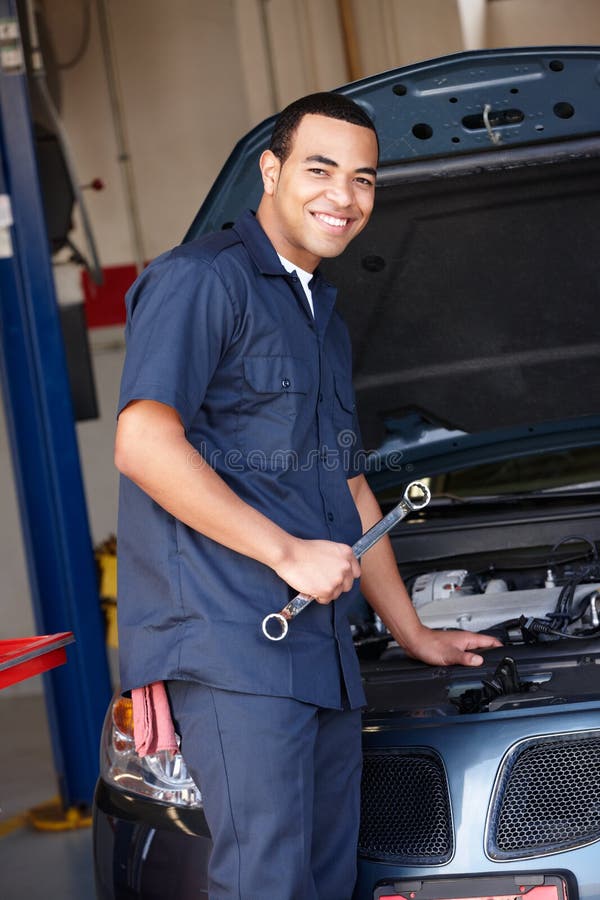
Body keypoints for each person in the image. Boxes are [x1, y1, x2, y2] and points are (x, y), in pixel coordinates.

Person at [115, 92, 501, 900]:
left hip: (319, 654)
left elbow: (351, 485)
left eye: (363, 179)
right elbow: (144, 443)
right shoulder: (200, 280)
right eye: (320, 169)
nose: (343, 196)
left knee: (323, 882)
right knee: (269, 884)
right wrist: (287, 553)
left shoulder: (320, 312)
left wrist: (416, 635)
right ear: (272, 170)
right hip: (236, 647)